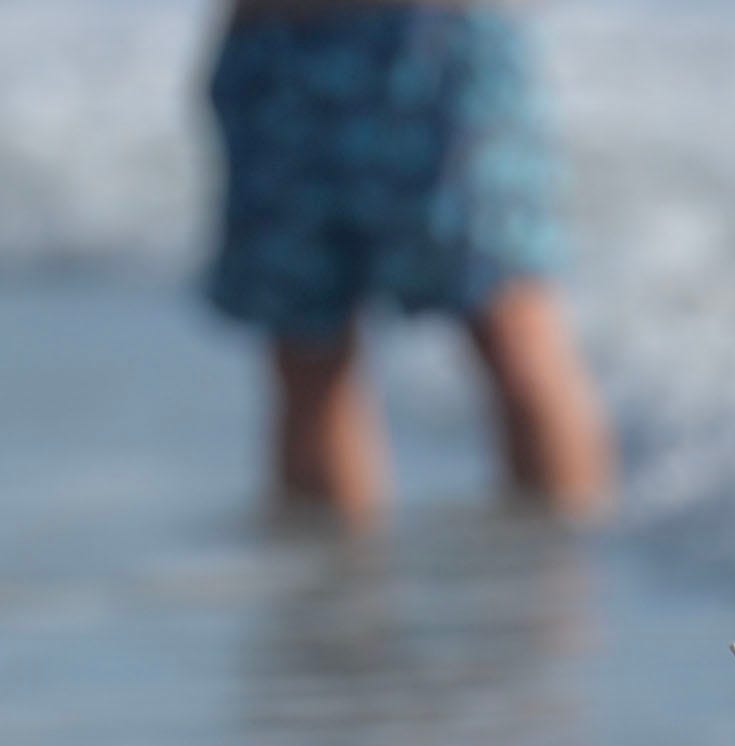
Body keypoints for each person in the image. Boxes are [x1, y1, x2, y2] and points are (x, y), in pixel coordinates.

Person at [203, 1, 617, 522]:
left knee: (514, 331)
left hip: (439, 35)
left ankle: (566, 591)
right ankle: (329, 597)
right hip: (273, 48)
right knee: (306, 355)